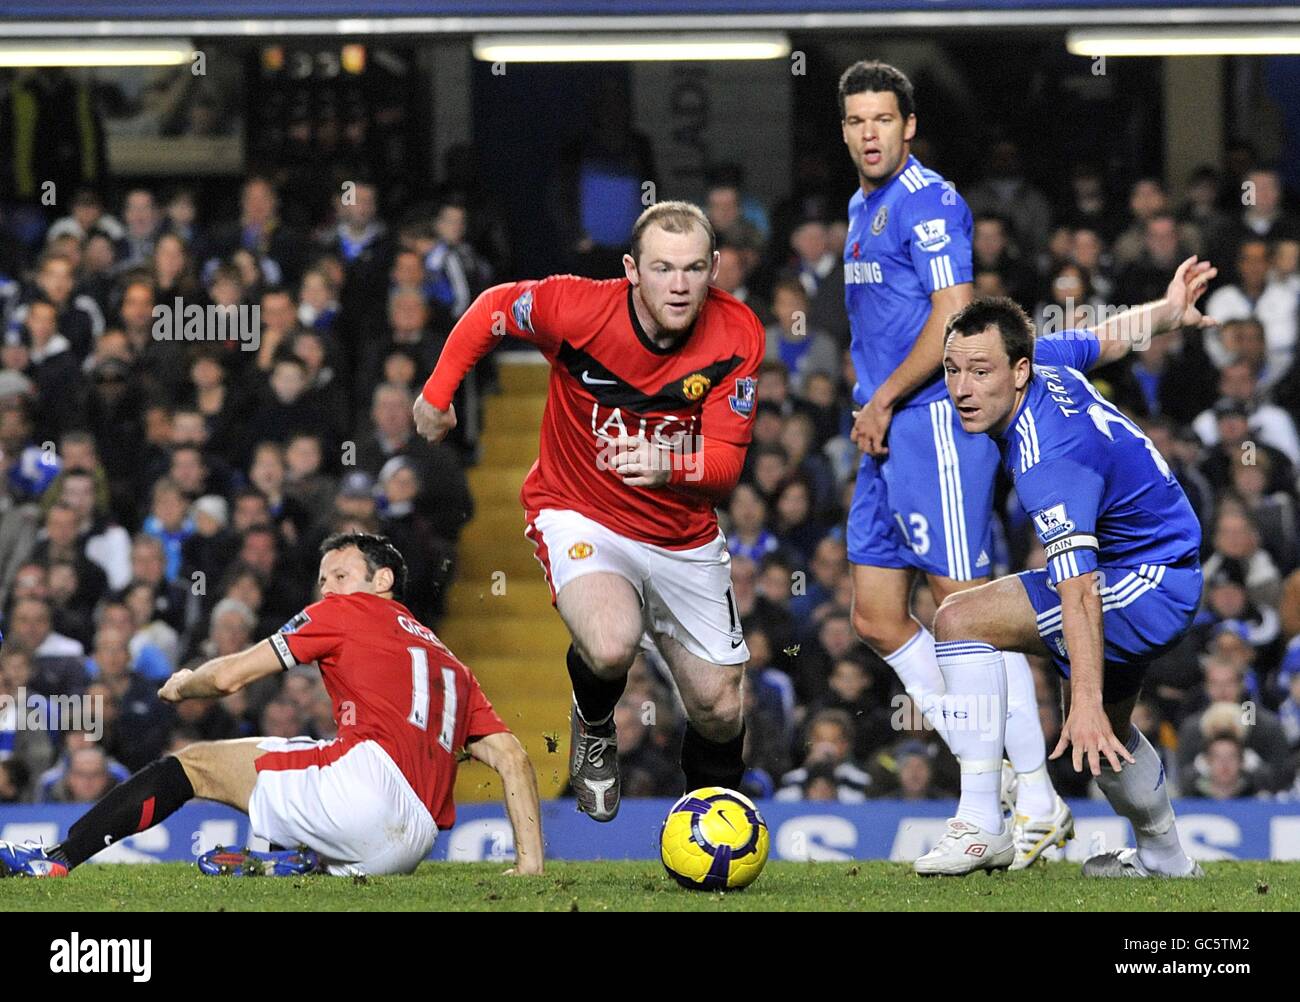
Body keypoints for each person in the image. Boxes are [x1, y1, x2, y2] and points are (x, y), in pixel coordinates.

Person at [414, 200, 764, 822]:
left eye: (692, 269)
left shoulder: (738, 336)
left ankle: (715, 821)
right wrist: (438, 394)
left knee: (719, 705)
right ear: (632, 269)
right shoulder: (573, 308)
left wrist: (667, 464)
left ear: (714, 270)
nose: (678, 285)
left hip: (682, 535)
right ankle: (594, 720)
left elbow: (726, 465)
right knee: (609, 645)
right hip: (581, 511)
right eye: (662, 268)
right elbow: (494, 309)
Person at [0, 532, 543, 878]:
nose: (327, 586)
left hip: (366, 788)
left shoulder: (344, 612)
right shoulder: (451, 662)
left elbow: (232, 676)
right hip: (410, 844)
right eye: (323, 577)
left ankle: (57, 861)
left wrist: (184, 682)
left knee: (194, 767)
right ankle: (299, 864)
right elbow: (514, 758)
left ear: (383, 581)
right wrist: (529, 864)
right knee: (315, 754)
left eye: (340, 574)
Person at [837, 60, 1066, 866]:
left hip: (930, 421)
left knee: (965, 614)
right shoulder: (863, 206)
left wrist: (883, 398)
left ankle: (1007, 805)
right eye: (856, 121)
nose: (870, 133)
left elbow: (953, 321)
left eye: (882, 120)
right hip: (885, 427)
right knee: (874, 613)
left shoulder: (929, 201)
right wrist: (871, 402)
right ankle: (1012, 780)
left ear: (908, 128)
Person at [923, 255, 1215, 877]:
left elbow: (1078, 591)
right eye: (952, 371)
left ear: (1017, 371)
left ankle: (980, 825)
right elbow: (1108, 339)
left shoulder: (1047, 457)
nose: (963, 388)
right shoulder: (1045, 362)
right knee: (1103, 742)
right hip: (1146, 565)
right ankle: (1166, 860)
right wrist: (1166, 312)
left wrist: (1079, 696)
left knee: (958, 619)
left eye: (981, 371)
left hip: (1146, 579)